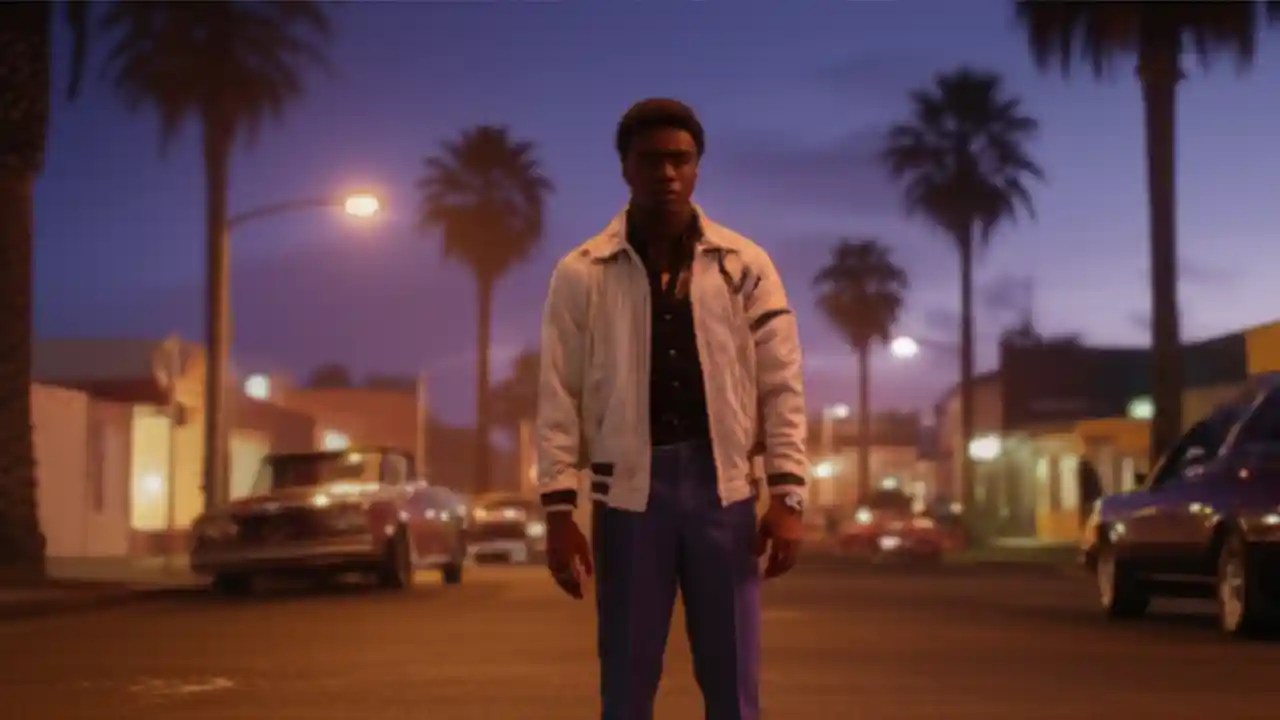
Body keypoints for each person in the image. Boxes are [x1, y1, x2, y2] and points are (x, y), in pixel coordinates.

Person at [535, 98, 809, 720]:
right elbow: (558, 392)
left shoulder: (744, 265)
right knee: (626, 686)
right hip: (629, 494)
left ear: (697, 167)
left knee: (734, 685)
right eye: (651, 160)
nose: (667, 173)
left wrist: (788, 496)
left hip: (726, 489)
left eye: (680, 160)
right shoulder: (582, 272)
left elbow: (782, 383)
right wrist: (559, 508)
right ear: (625, 168)